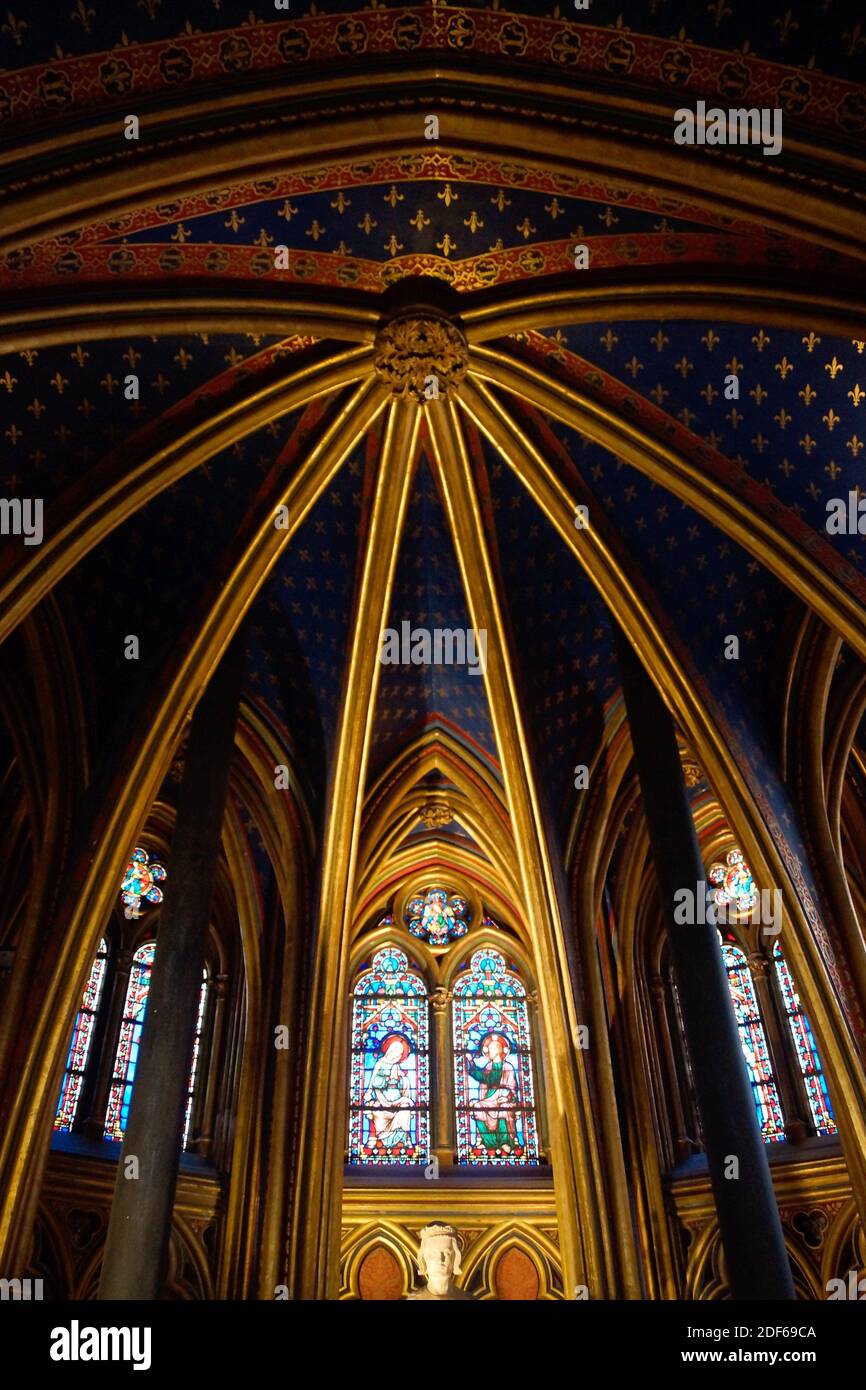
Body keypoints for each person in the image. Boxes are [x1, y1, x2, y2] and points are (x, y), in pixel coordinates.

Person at [466, 1031, 520, 1155]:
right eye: (488, 1048)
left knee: (503, 1108)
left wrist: (507, 1096)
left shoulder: (509, 1067)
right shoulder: (489, 1067)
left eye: (491, 1048)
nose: (489, 1051)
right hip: (489, 1099)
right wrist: (471, 1062)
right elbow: (486, 1079)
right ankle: (487, 1141)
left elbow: (512, 1087)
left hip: (504, 1100)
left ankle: (506, 1142)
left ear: (499, 1049)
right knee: (477, 1107)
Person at [364, 1033, 413, 1154]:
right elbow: (374, 1081)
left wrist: (401, 1080)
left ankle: (403, 1138)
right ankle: (381, 1139)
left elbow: (402, 1082)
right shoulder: (380, 1063)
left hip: (397, 1100)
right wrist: (387, 1080)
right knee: (377, 1109)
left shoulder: (396, 1066)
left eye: (400, 1052)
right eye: (395, 1049)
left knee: (406, 1107)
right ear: (390, 1049)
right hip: (382, 1099)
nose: (397, 1053)